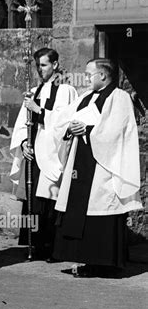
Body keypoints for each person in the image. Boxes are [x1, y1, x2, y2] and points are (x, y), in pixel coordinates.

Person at [52, 58, 143, 277]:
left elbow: (118, 131)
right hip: (79, 162)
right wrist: (70, 129)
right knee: (79, 208)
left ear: (102, 75)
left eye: (88, 74)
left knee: (100, 210)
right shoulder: (85, 97)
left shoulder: (119, 98)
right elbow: (61, 121)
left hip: (103, 166)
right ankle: (86, 260)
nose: (84, 78)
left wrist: (88, 129)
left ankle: (104, 263)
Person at [10, 48, 78, 261]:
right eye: (38, 66)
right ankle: (35, 245)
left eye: (44, 65)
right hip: (35, 154)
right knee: (34, 200)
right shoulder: (34, 90)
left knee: (51, 200)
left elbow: (63, 122)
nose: (40, 70)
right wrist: (23, 143)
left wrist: (38, 110)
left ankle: (53, 248)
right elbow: (22, 123)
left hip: (53, 153)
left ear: (55, 65)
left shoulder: (67, 90)